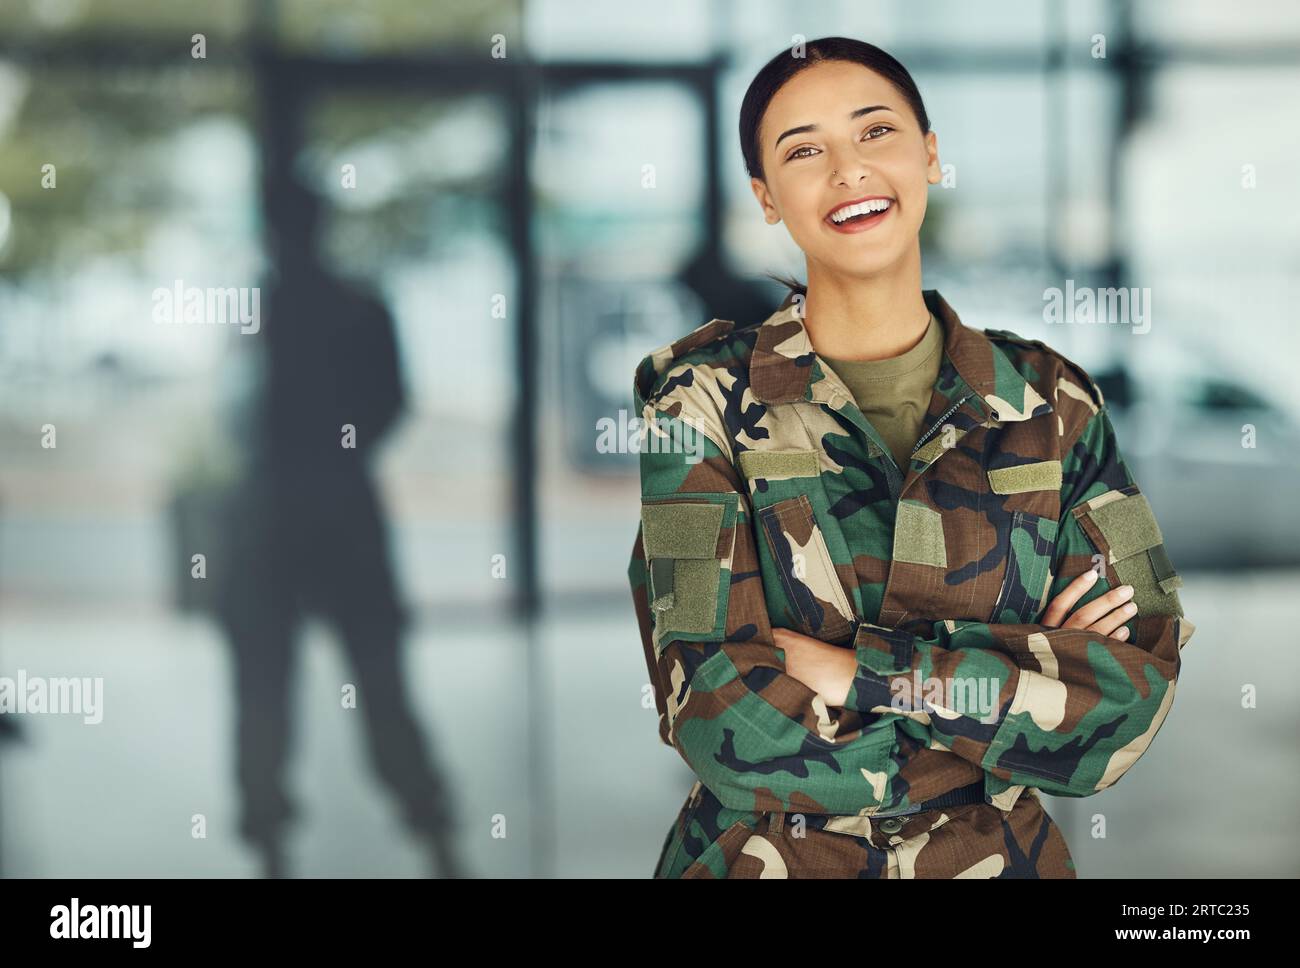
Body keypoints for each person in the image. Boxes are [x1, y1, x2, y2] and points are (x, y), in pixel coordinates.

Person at [625, 37, 1195, 879]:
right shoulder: (699, 402)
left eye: (876, 131)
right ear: (767, 197)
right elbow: (719, 719)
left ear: (929, 155)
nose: (848, 171)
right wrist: (1013, 697)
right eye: (804, 150)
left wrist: (864, 675)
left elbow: (1127, 703)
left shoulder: (1051, 402)